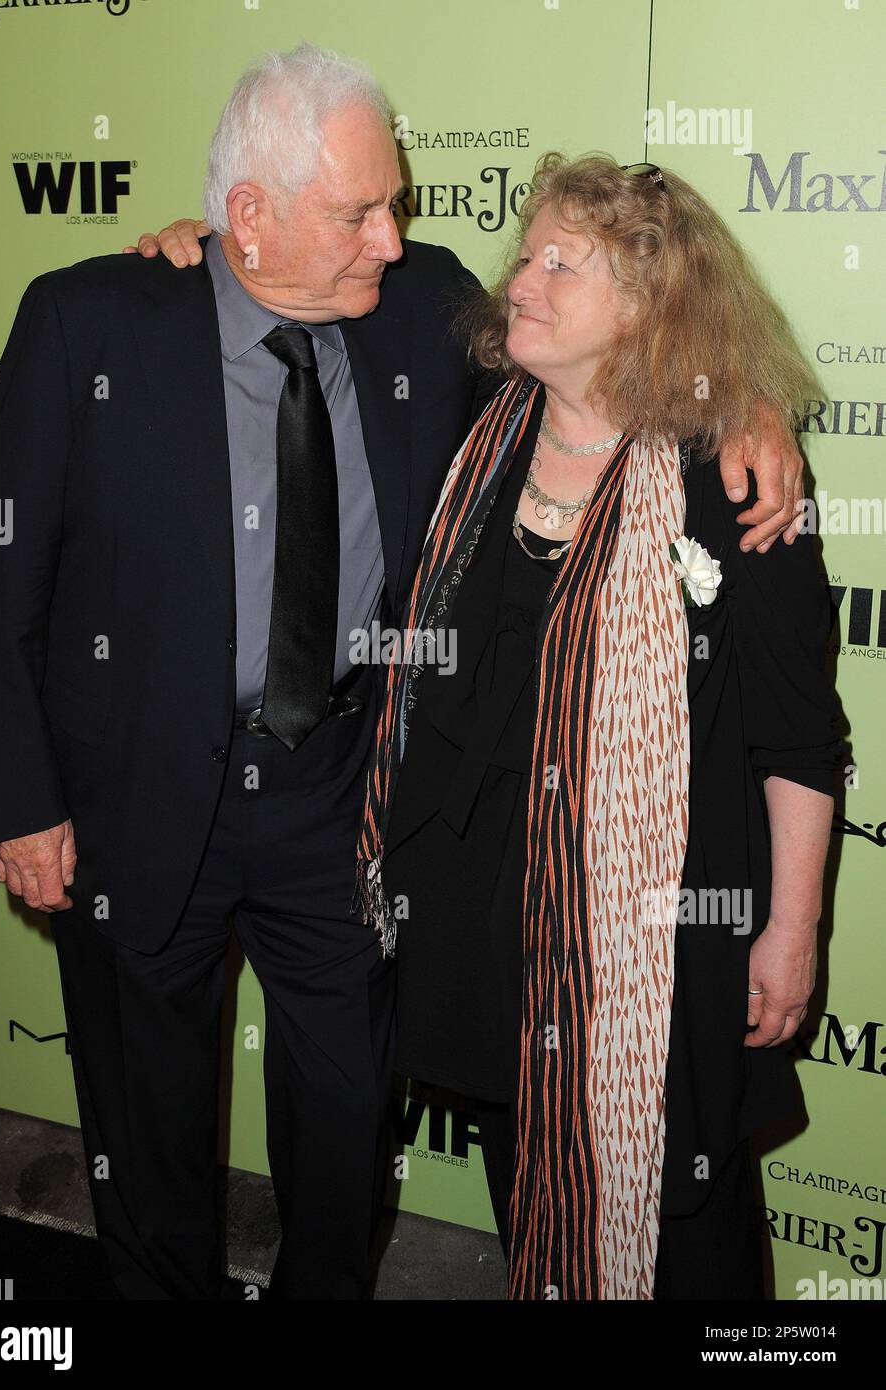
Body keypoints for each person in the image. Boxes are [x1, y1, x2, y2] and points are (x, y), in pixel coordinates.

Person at [0, 37, 800, 1302]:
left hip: (341, 804)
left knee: (345, 1131)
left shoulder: (420, 306)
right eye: (358, 210)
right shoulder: (89, 321)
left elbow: (637, 344)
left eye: (396, 202)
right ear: (247, 217)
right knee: (148, 1133)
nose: (392, 237)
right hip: (131, 801)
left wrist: (748, 406)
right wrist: (20, 801)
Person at [353, 154, 842, 1301]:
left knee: (689, 1217)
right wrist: (182, 250)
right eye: (525, 254)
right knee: (529, 1186)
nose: (518, 280)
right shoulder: (481, 419)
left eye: (556, 265)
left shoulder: (731, 479)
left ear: (645, 301)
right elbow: (328, 271)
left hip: (650, 936)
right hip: (475, 916)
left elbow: (795, 737)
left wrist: (791, 928)